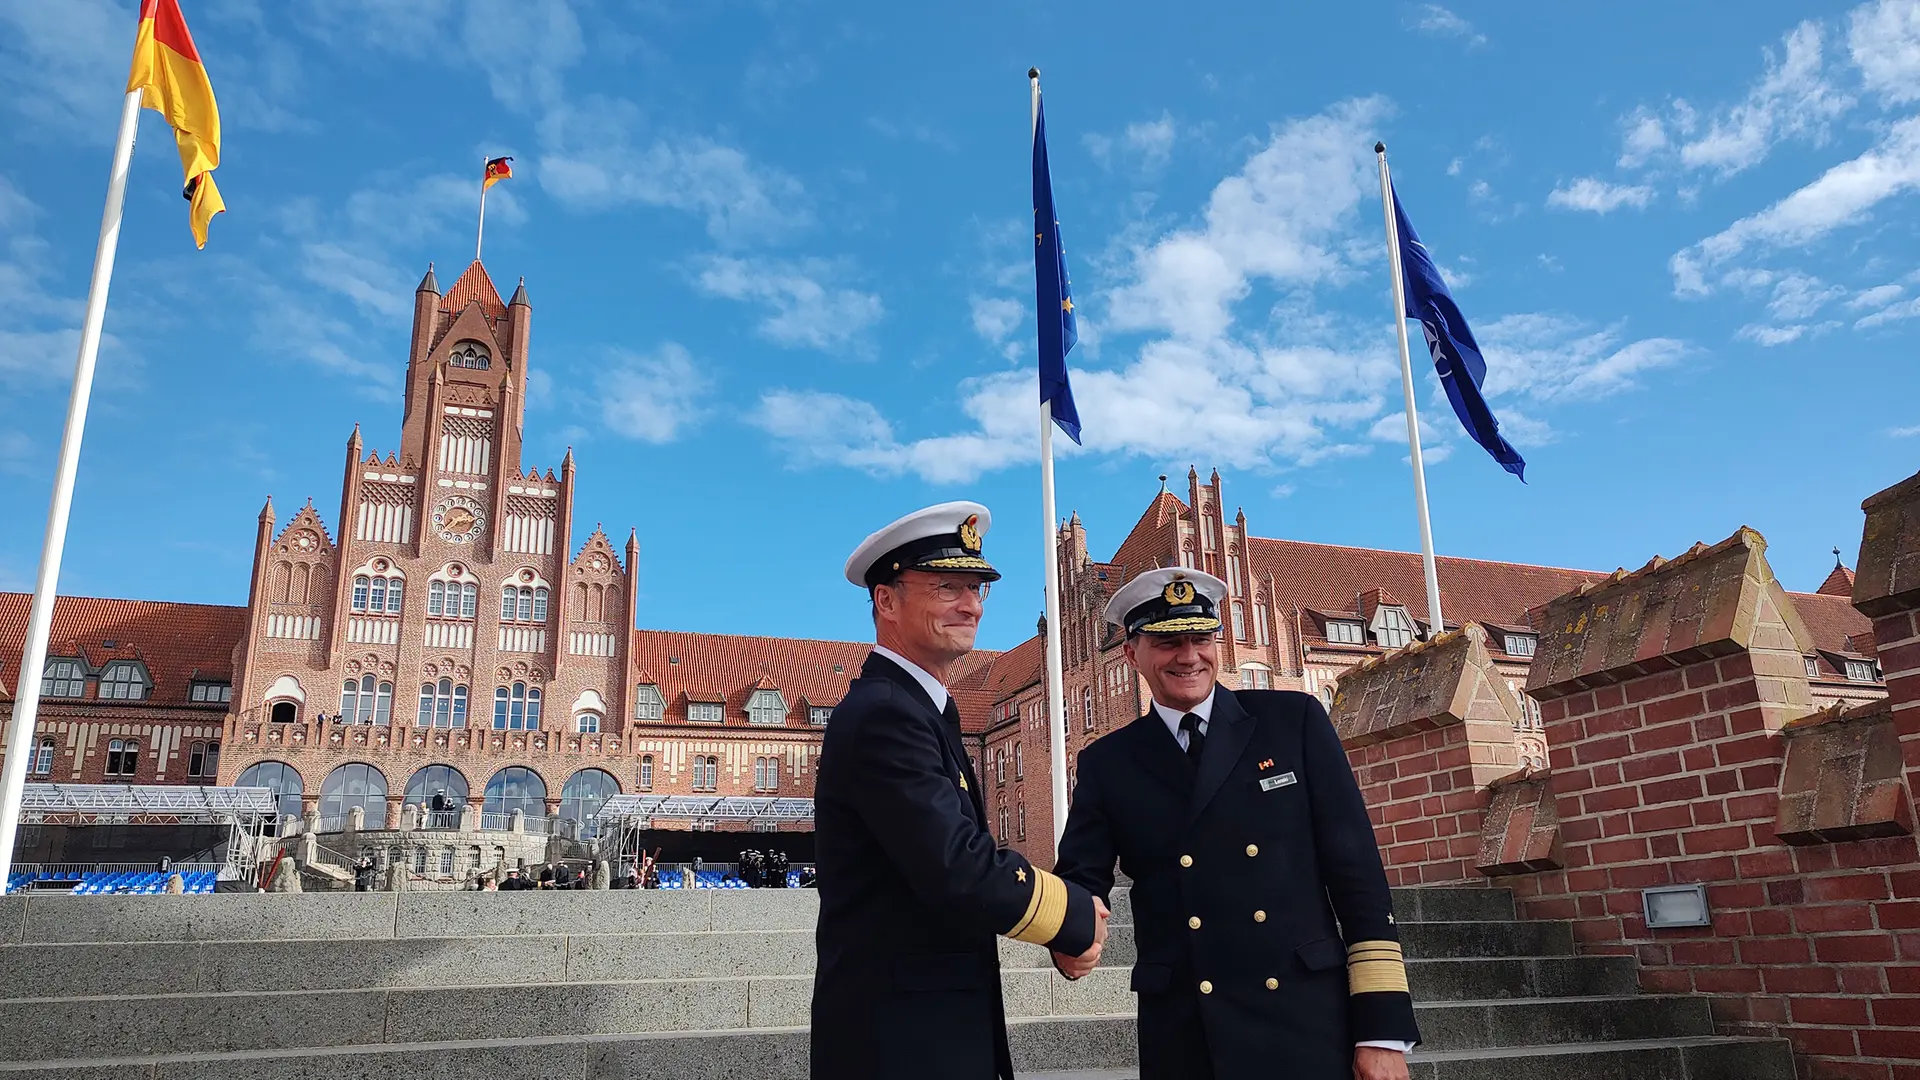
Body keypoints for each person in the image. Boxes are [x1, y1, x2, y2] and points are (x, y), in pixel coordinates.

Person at [1052, 568, 1419, 1080]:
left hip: (1304, 1016)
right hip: (1187, 1028)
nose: (1189, 656)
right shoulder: (1108, 762)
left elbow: (1357, 874)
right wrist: (1070, 932)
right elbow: (1080, 873)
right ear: (1132, 654)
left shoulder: (1293, 722)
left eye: (1202, 638)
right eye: (1168, 642)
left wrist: (1381, 1029)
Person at [811, 502, 1107, 1080]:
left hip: (923, 1032)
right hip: (900, 1045)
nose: (971, 604)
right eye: (947, 587)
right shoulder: (886, 715)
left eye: (977, 588)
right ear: (886, 600)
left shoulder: (917, 709)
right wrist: (1071, 915)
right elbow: (955, 864)